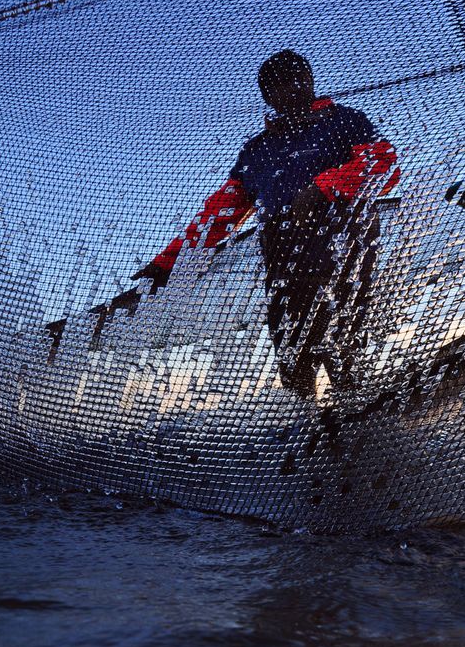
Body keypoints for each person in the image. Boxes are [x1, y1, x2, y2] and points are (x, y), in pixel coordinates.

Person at [134, 50, 399, 396]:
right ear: (267, 95)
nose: (292, 88)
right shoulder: (256, 151)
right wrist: (168, 263)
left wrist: (324, 188)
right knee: (293, 358)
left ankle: (357, 416)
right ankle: (308, 426)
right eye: (280, 84)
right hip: (284, 262)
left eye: (298, 78)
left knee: (343, 348)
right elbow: (219, 213)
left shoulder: (343, 122)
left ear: (310, 80)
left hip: (343, 250)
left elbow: (384, 165)